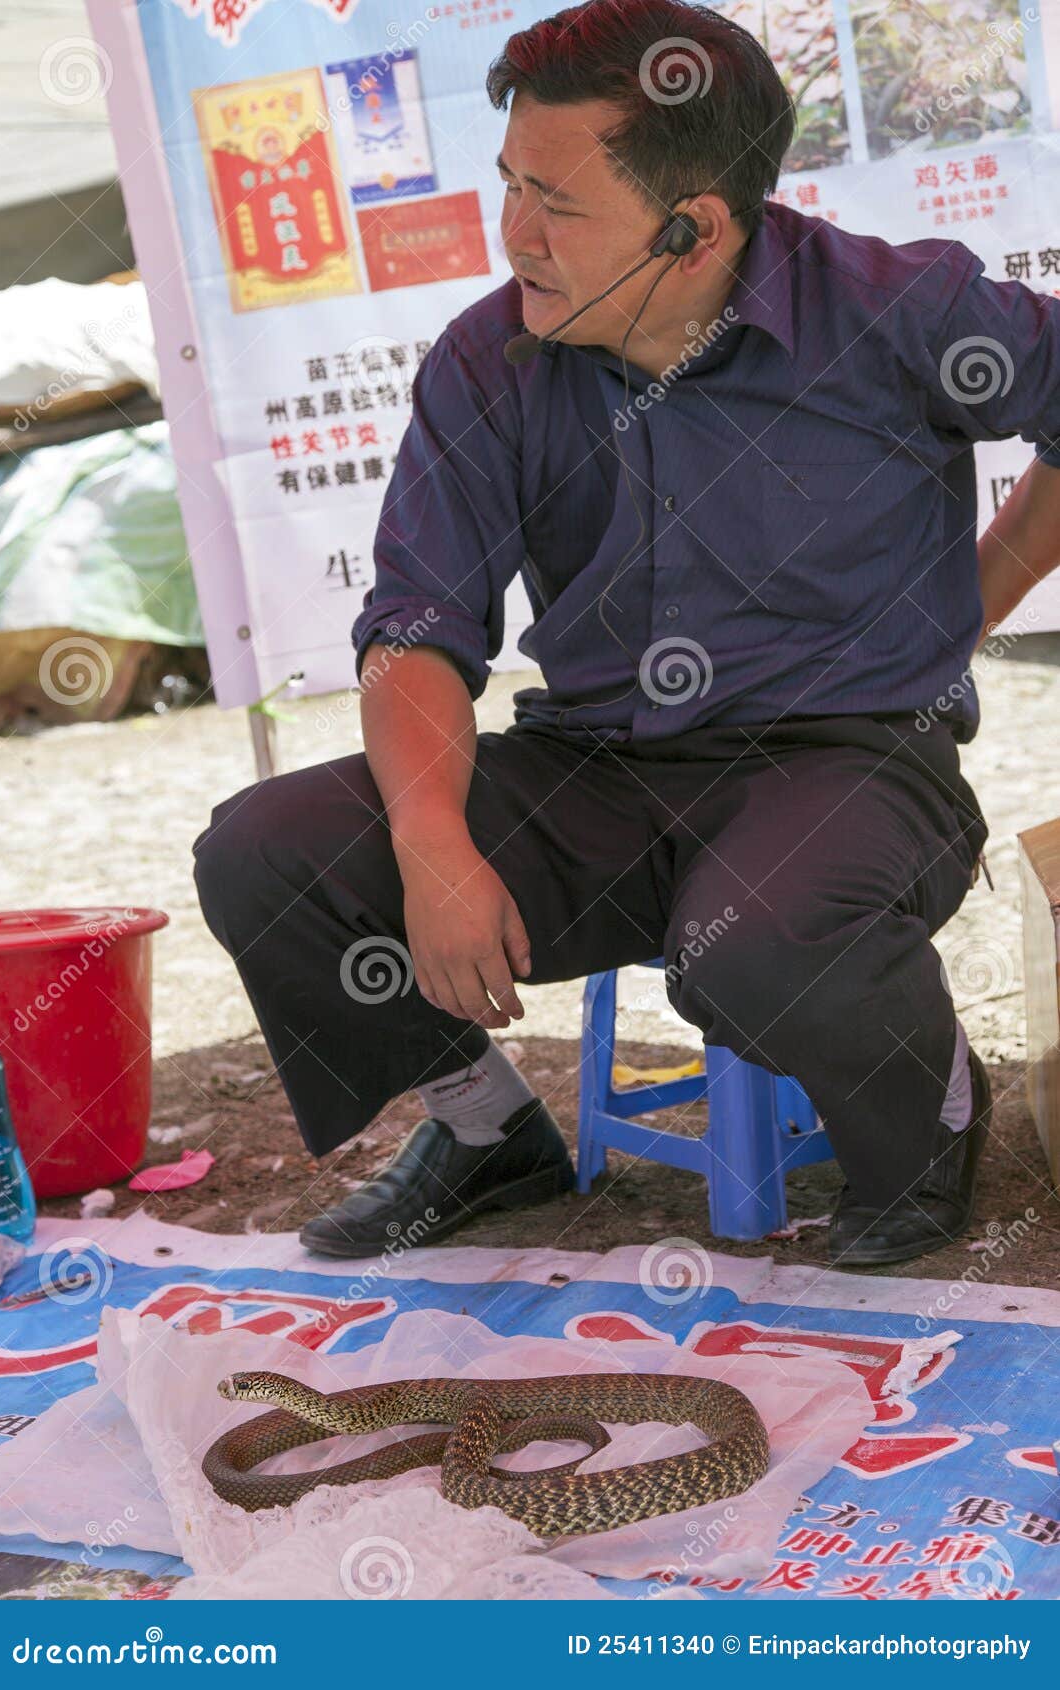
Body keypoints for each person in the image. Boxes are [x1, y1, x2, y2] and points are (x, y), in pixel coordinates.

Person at [193, 0, 1060, 1269]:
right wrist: (433, 842)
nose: (515, 234)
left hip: (847, 767)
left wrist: (970, 599)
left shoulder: (894, 311)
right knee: (267, 851)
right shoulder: (487, 360)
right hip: (595, 770)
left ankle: (923, 1127)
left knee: (757, 943)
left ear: (692, 225)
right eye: (507, 186)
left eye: (555, 201)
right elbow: (415, 629)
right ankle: (486, 1131)